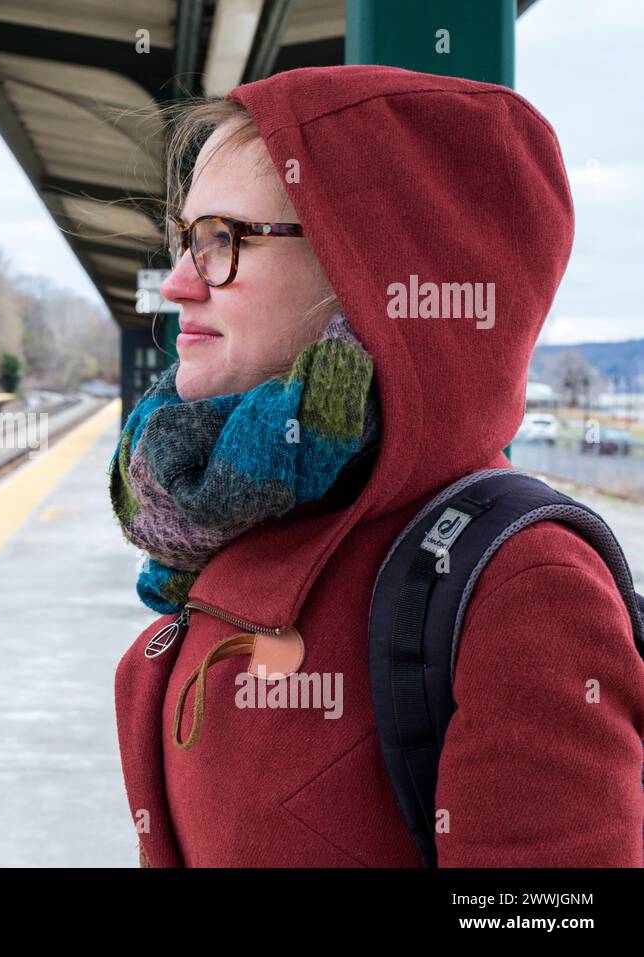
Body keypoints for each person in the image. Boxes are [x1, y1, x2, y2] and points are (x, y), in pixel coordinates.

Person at [110, 64, 644, 867]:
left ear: (370, 273)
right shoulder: (234, 515)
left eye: (226, 240)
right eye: (187, 239)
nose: (181, 284)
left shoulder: (520, 587)